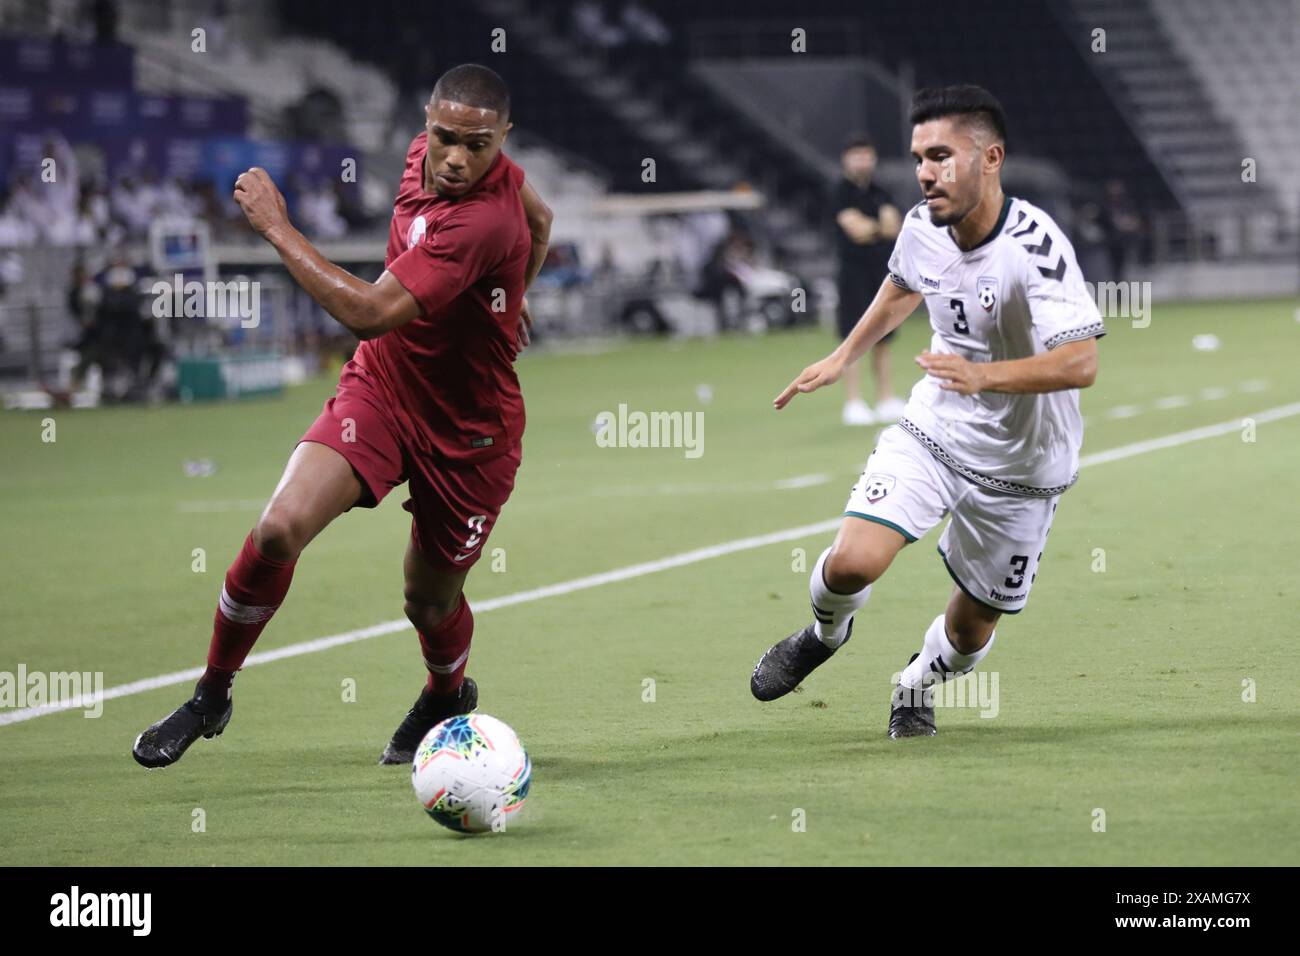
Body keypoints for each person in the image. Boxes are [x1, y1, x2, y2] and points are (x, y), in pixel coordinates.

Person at [133, 64, 554, 768]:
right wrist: (514, 292)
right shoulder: (434, 161)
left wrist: (276, 226)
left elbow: (366, 313)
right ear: (427, 124)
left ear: (502, 139)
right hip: (384, 391)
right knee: (277, 530)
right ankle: (211, 693)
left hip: (469, 435)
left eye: (477, 146)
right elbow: (544, 222)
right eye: (444, 137)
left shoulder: (482, 219)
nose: (455, 157)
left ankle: (446, 693)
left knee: (428, 602)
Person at [751, 85, 1104, 737]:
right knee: (852, 561)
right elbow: (901, 285)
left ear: (990, 158)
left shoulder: (1035, 245)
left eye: (941, 155)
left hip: (1026, 462)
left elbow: (1081, 362)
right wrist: (844, 357)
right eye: (917, 157)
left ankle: (915, 685)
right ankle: (823, 636)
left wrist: (982, 374)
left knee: (970, 634)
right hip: (936, 427)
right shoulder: (920, 225)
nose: (923, 172)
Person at [832, 135, 903, 425]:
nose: (862, 160)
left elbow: (894, 227)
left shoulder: (881, 191)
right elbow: (855, 230)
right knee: (854, 335)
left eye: (867, 155)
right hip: (852, 272)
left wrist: (873, 227)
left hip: (880, 270)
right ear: (846, 160)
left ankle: (885, 397)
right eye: (856, 155)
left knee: (883, 336)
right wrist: (878, 227)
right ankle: (854, 401)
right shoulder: (839, 192)